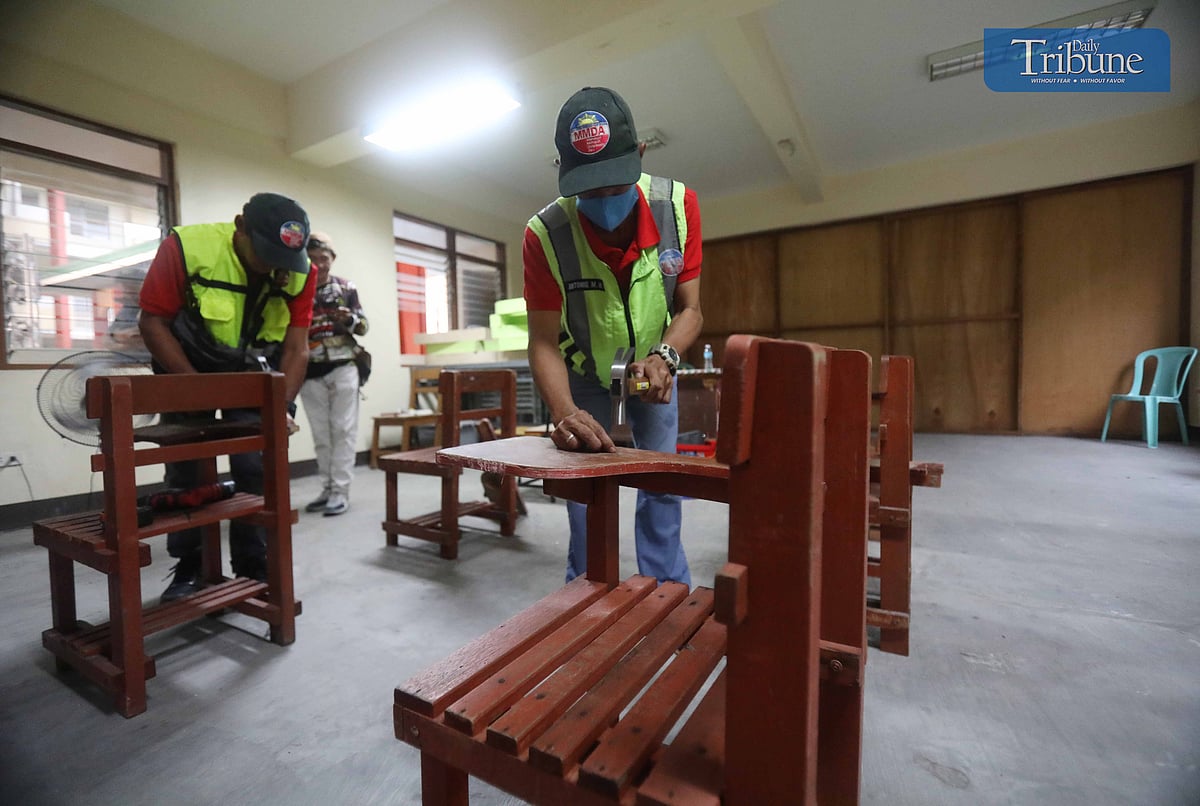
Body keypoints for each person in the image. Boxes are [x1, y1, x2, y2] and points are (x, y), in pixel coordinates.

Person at [523, 87, 704, 586]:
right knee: (585, 497)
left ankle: (667, 591)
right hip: (582, 376)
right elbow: (542, 341)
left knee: (662, 488)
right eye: (590, 190)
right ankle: (584, 592)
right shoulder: (545, 233)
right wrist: (564, 412)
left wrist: (665, 356)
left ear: (639, 155)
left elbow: (691, 310)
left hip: (653, 377)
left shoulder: (678, 206)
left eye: (614, 185)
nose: (604, 203)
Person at [138, 192, 316, 602]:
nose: (274, 266)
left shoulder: (302, 270)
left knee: (257, 467)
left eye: (283, 259)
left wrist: (280, 408)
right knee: (188, 472)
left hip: (250, 372)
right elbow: (153, 322)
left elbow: (296, 349)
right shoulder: (187, 247)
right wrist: (191, 390)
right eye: (266, 253)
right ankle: (191, 566)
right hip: (184, 363)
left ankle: (253, 567)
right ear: (240, 226)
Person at [298, 232, 368, 516]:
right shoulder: (297, 289)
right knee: (321, 433)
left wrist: (348, 319)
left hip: (344, 366)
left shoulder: (346, 287)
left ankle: (340, 491)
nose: (319, 264)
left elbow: (363, 326)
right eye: (313, 259)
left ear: (332, 259)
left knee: (343, 430)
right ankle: (327, 488)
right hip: (309, 369)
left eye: (324, 258)